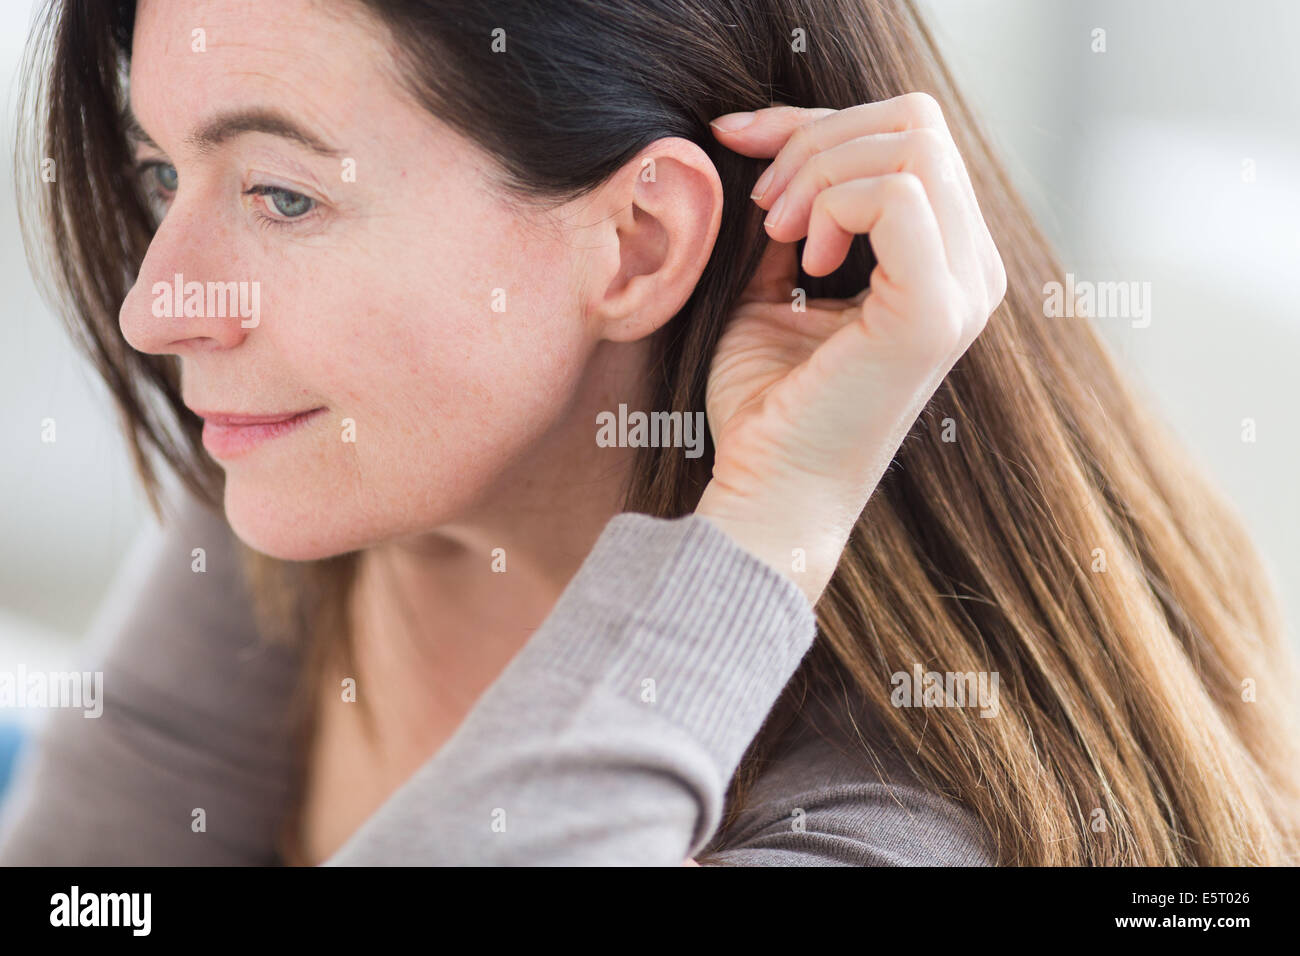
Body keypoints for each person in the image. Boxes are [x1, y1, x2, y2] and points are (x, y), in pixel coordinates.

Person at [1, 0, 1297, 866]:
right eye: (167, 174)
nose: (155, 308)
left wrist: (766, 527)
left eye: (283, 195)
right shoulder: (349, 479)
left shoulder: (895, 820)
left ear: (638, 242)